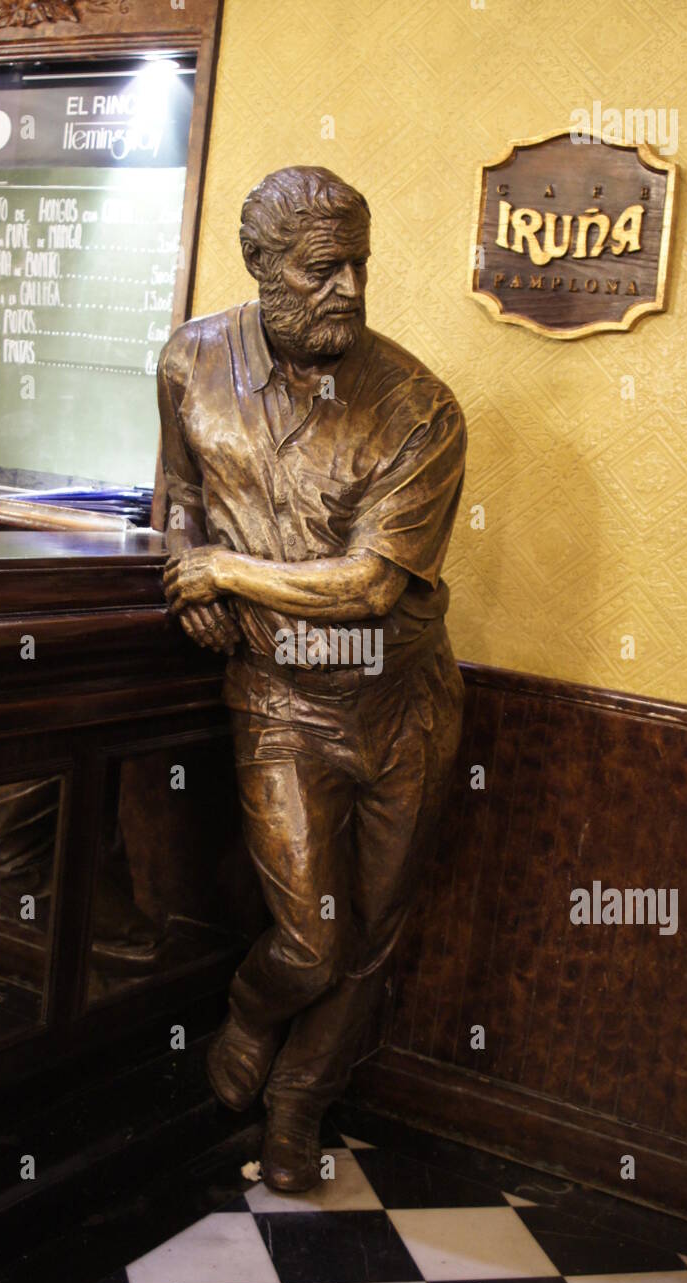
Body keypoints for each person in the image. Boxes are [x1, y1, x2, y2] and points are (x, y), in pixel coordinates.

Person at [161, 166, 465, 1191]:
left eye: (359, 265)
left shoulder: (417, 406)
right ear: (261, 268)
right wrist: (183, 567)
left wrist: (223, 570)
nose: (347, 288)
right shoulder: (191, 363)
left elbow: (375, 585)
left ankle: (297, 1110)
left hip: (401, 703)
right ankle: (252, 1008)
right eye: (319, 268)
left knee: (371, 937)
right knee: (308, 937)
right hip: (280, 701)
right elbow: (177, 496)